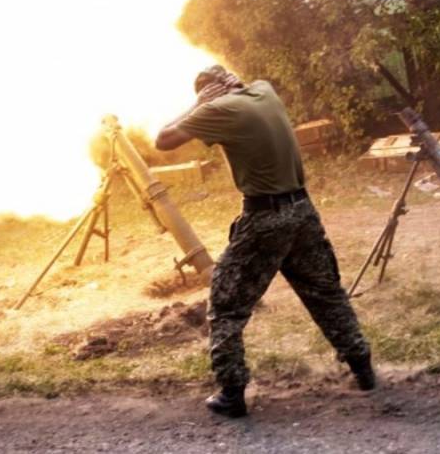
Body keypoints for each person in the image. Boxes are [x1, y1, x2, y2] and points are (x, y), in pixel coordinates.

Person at [155, 65, 374, 418]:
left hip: (264, 219)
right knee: (325, 293)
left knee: (226, 305)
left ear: (209, 92)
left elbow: (163, 140)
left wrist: (196, 105)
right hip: (302, 211)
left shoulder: (216, 109)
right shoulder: (264, 90)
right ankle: (363, 368)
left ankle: (232, 393)